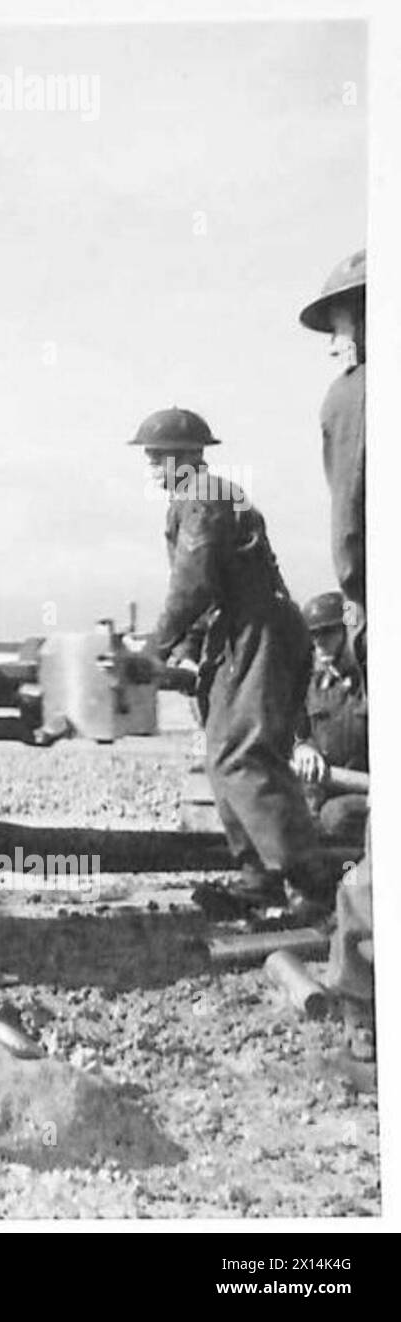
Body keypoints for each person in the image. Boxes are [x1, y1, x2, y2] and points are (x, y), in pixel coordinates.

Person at [130, 406, 323, 918]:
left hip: (257, 631)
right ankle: (259, 878)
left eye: (156, 457)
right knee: (223, 757)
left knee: (241, 755)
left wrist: (154, 648)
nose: (150, 467)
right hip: (238, 631)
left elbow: (193, 585)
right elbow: (204, 591)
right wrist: (182, 651)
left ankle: (311, 882)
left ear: (185, 457)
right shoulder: (194, 501)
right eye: (149, 457)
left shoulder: (205, 497)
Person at [300, 248, 372, 1060]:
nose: (334, 341)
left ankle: (362, 1001)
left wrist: (358, 602)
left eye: (341, 323)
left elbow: (350, 540)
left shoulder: (355, 397)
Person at [292, 590, 368, 846]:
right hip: (322, 790)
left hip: (364, 791)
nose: (319, 642)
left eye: (327, 633)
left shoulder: (368, 684)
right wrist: (303, 748)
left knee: (337, 817)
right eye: (313, 635)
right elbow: (299, 731)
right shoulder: (311, 686)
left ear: (349, 633)